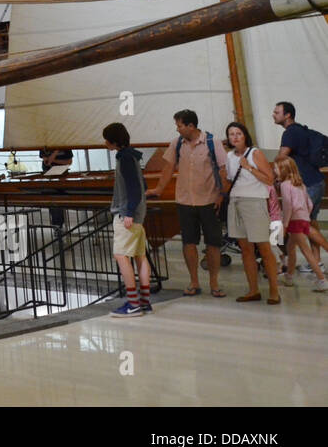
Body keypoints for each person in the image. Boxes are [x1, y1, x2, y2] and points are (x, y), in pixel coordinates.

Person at [148, 109, 226, 298]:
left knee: (213, 243)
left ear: (191, 126)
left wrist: (221, 195)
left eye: (180, 125)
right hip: (184, 201)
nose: (177, 129)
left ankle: (214, 283)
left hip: (209, 201)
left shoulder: (212, 142)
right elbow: (168, 168)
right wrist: (158, 189)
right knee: (188, 242)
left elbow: (223, 169)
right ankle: (194, 281)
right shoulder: (176, 144)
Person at [222, 121, 281, 304]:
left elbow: (270, 179)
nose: (235, 137)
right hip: (236, 202)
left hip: (254, 202)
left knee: (264, 247)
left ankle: (274, 291)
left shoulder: (254, 153)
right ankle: (253, 290)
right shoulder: (230, 156)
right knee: (245, 249)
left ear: (245, 135)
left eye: (238, 133)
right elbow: (229, 179)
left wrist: (248, 167)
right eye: (231, 134)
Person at [103, 122, 152, 317]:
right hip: (139, 212)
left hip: (127, 213)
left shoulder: (124, 158)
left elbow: (132, 187)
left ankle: (133, 304)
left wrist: (129, 212)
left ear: (113, 140)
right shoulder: (133, 156)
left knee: (121, 255)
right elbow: (141, 183)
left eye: (106, 139)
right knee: (140, 256)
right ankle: (144, 301)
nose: (105, 143)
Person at [274, 159, 328, 291]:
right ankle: (289, 276)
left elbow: (288, 206)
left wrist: (285, 223)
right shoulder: (300, 185)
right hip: (304, 220)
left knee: (305, 251)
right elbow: (309, 204)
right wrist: (304, 216)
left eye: (276, 168)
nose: (274, 171)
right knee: (290, 248)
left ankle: (322, 280)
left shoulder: (285, 185)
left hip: (294, 221)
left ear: (283, 169)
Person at [273, 101, 325, 227]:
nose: (273, 115)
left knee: (296, 225)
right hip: (317, 182)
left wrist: (272, 178)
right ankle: (313, 248)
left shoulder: (290, 133)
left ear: (287, 115)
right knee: (310, 223)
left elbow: (281, 158)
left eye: (276, 112)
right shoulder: (301, 129)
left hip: (306, 185)